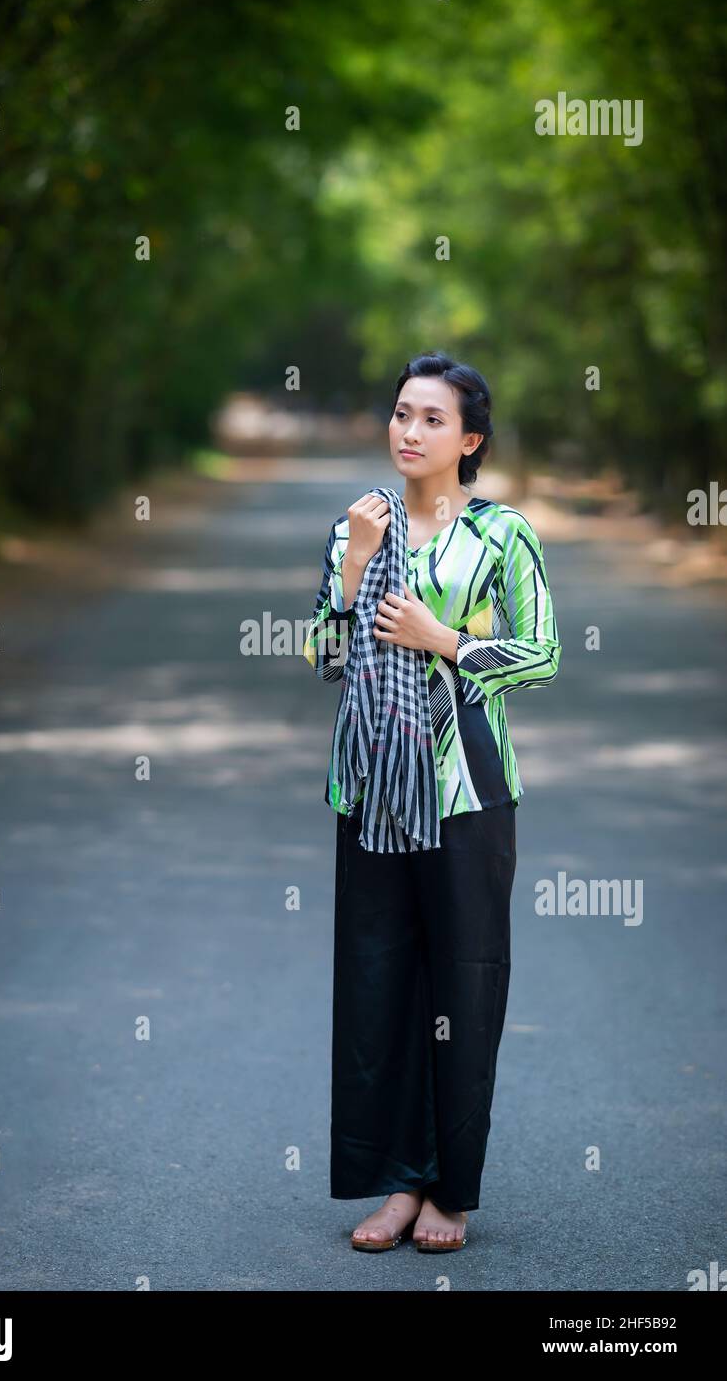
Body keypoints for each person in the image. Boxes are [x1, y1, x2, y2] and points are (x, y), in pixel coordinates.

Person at [302, 350, 562, 1252]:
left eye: (432, 420)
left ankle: (451, 1189)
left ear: (470, 440)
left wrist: (443, 639)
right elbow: (328, 659)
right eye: (402, 414)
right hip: (371, 789)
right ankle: (396, 1185)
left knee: (463, 983)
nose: (409, 432)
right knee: (379, 986)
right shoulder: (357, 528)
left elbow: (542, 653)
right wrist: (357, 569)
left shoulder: (501, 535)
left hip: (465, 793)